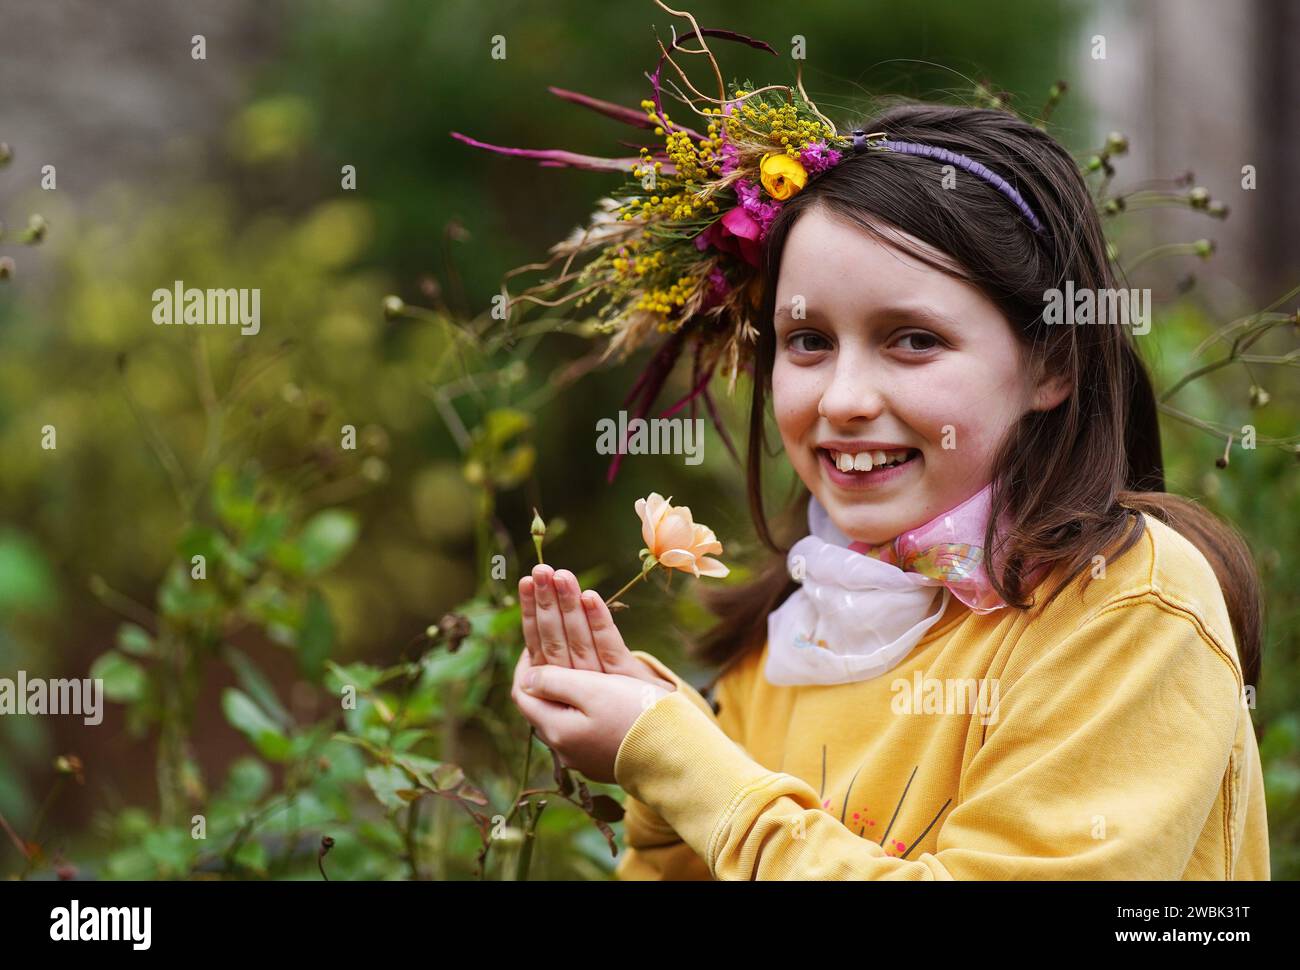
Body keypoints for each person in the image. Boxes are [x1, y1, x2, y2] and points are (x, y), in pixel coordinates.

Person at [506, 97, 1270, 881]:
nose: (842, 399)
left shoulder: (1127, 606)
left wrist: (679, 758)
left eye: (913, 340)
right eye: (808, 341)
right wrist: (662, 766)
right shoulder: (790, 637)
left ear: (1053, 365)